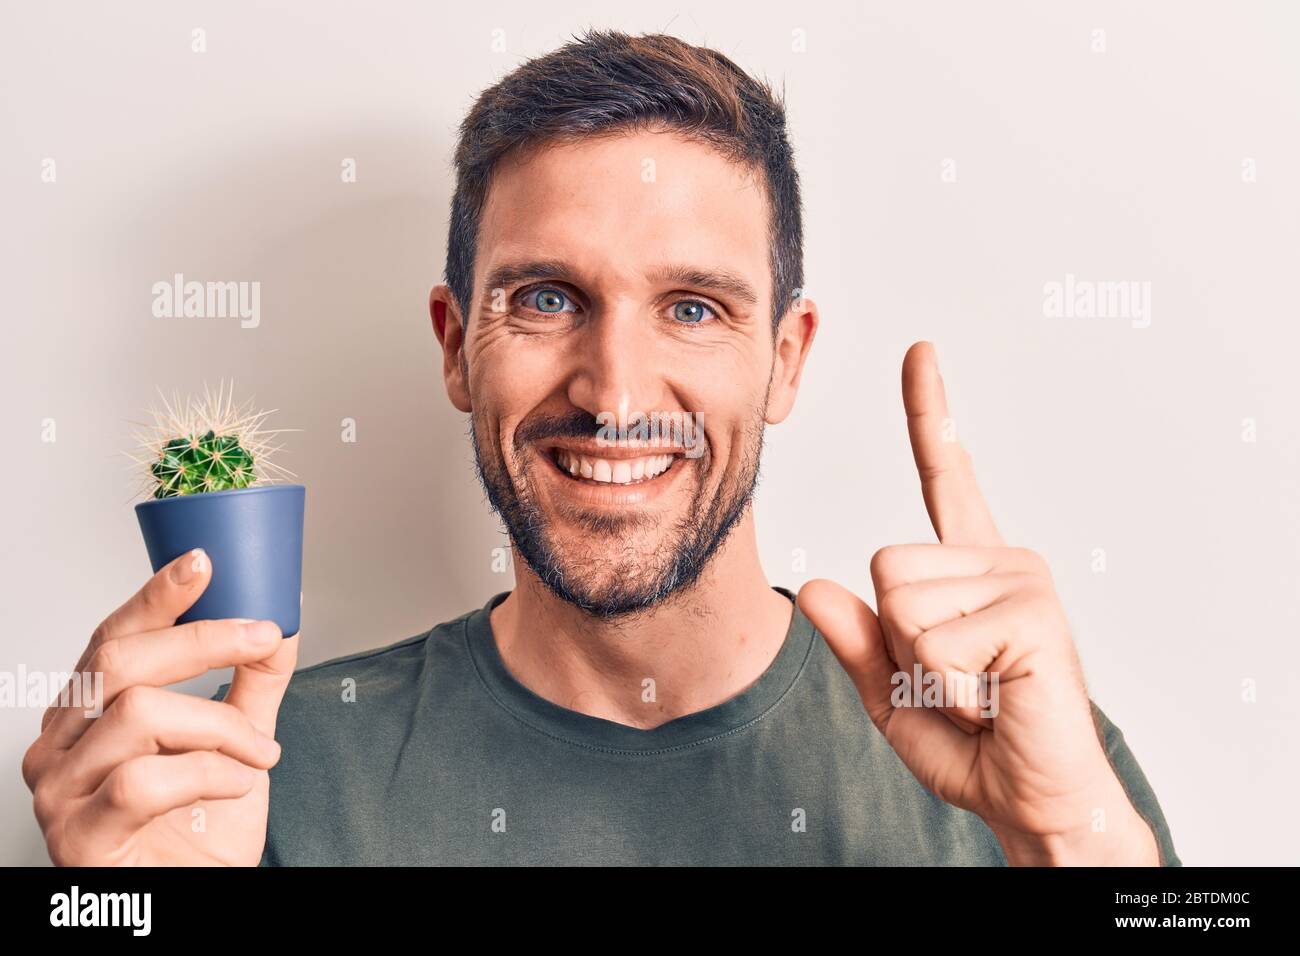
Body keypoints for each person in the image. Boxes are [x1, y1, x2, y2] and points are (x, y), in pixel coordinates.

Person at [23, 30, 1179, 866]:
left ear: (785, 358)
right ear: (455, 346)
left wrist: (1076, 844)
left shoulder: (1021, 751)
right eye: (545, 297)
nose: (615, 393)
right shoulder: (254, 771)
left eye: (691, 306)